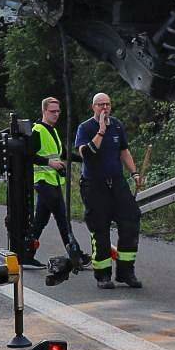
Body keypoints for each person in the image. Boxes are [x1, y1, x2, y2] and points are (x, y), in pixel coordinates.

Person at [73, 92, 145, 289]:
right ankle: (103, 275)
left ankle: (126, 272)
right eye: (100, 105)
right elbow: (86, 154)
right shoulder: (85, 128)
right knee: (100, 229)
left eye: (107, 104)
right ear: (93, 107)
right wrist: (102, 130)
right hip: (94, 185)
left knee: (130, 221)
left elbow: (124, 150)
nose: (105, 108)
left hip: (117, 182)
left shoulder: (118, 125)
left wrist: (134, 173)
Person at [26, 97, 87, 266]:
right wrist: (49, 163)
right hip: (43, 181)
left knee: (40, 221)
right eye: (52, 111)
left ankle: (26, 253)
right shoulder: (37, 130)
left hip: (53, 181)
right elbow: (28, 155)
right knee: (62, 217)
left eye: (58, 111)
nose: (56, 114)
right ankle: (77, 254)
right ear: (44, 111)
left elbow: (63, 154)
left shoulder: (52, 130)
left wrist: (84, 158)